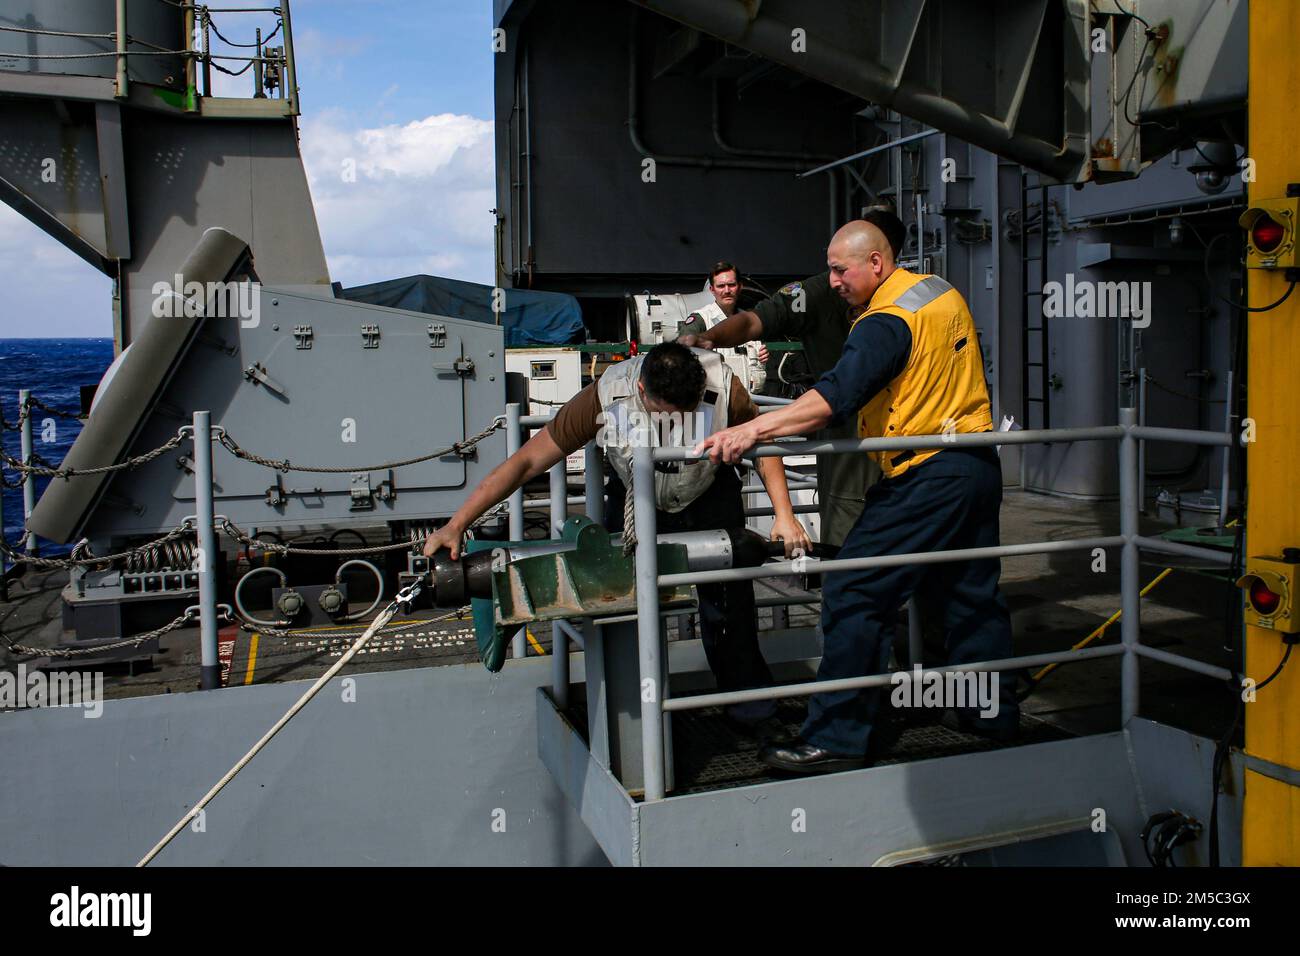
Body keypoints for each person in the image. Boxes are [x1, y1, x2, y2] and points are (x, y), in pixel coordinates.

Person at [693, 220, 1019, 774]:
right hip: (976, 463)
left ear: (876, 263)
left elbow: (832, 400)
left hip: (926, 473)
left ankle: (836, 738)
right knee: (967, 593)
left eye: (841, 270)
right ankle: (989, 713)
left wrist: (752, 431)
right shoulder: (940, 293)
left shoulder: (884, 320)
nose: (835, 281)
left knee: (853, 589)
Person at [423, 342, 811, 735]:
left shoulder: (725, 387)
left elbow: (761, 443)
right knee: (620, 607)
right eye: (668, 414)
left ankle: (752, 713)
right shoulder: (606, 395)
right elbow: (525, 462)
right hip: (636, 502)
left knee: (729, 610)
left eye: (688, 412)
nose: (678, 422)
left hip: (708, 497)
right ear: (642, 391)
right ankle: (633, 718)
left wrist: (784, 514)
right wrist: (457, 524)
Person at [679, 209, 907, 549]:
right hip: (854, 446)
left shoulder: (906, 301)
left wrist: (754, 428)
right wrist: (711, 337)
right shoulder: (819, 294)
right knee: (849, 542)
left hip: (898, 442)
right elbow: (755, 321)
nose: (836, 279)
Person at [678, 261, 769, 386]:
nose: (727, 290)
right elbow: (682, 354)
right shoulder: (701, 319)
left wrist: (761, 357)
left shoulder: (751, 321)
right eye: (721, 286)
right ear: (711, 289)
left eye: (731, 285)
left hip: (748, 397)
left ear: (740, 286)